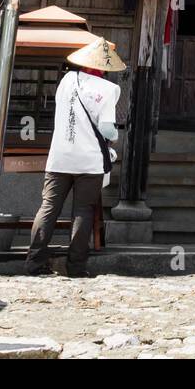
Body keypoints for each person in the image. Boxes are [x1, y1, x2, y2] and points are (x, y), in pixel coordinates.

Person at [24, 37, 123, 278]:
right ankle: (75, 267)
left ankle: (34, 263)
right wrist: (115, 135)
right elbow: (108, 129)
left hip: (59, 157)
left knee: (48, 207)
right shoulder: (109, 89)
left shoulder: (67, 80)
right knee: (83, 211)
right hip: (89, 162)